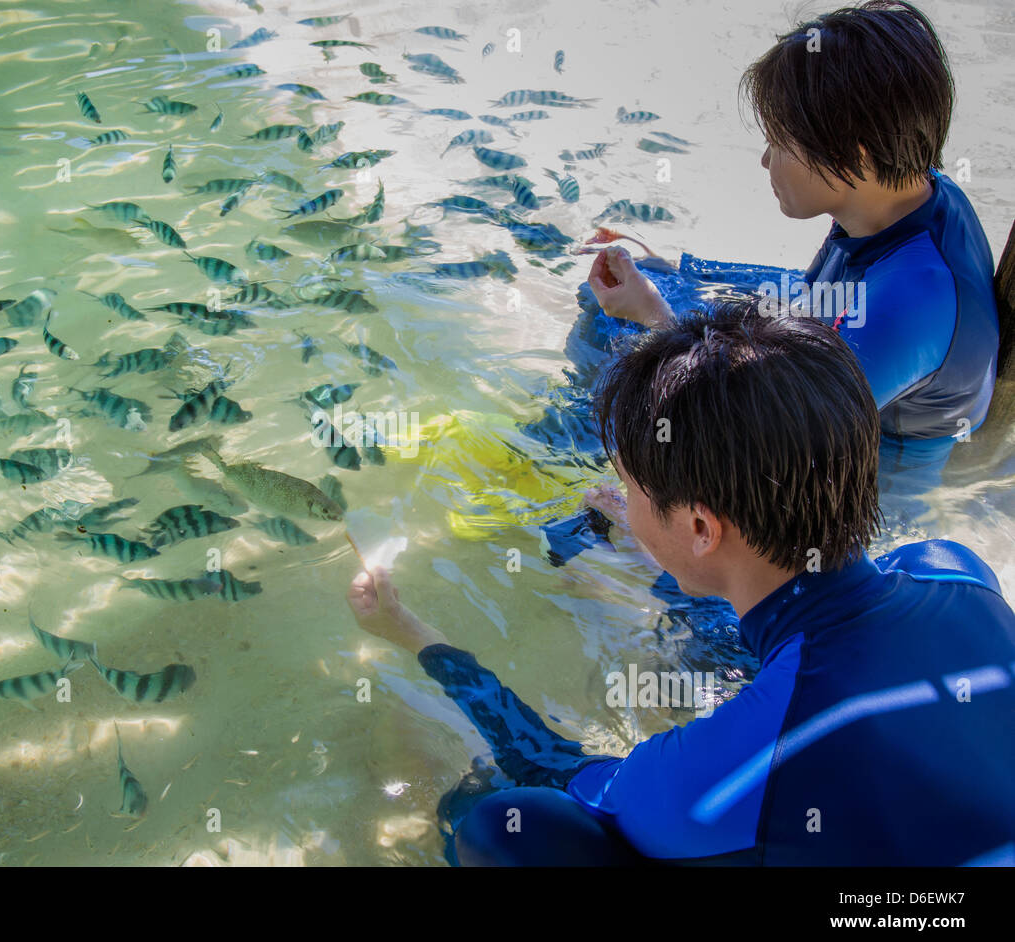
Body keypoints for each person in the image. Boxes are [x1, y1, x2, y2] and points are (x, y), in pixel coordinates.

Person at [347, 299, 1015, 865]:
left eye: (632, 488)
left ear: (701, 527)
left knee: (500, 824)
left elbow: (547, 762)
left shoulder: (702, 777)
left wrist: (415, 636)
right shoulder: (958, 573)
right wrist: (659, 559)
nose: (620, 500)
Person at [585, 0, 1001, 490]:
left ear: (853, 154)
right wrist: (674, 277)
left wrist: (655, 321)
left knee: (618, 371)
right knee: (623, 298)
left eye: (779, 141)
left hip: (846, 487)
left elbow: (757, 445)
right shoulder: (902, 195)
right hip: (826, 357)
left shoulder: (912, 303)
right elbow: (813, 303)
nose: (765, 160)